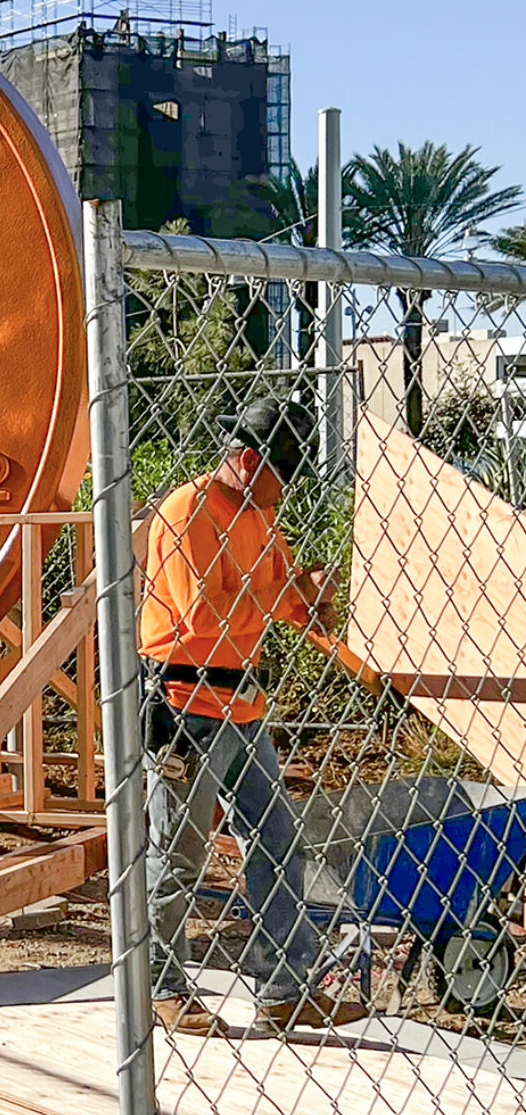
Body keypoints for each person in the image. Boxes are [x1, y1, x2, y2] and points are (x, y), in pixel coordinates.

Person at [139, 399, 366, 1035]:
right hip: (187, 705)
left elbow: (283, 596)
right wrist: (279, 596)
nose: (283, 491)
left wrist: (310, 596)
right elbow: (204, 617)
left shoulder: (259, 516)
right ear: (245, 460)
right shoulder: (187, 514)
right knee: (180, 852)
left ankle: (284, 989)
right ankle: (160, 984)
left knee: (276, 841)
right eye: (280, 475)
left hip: (243, 704)